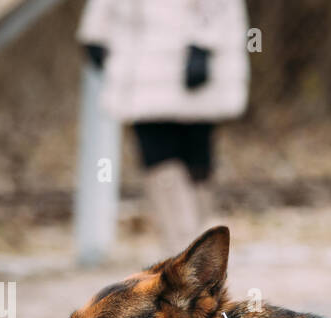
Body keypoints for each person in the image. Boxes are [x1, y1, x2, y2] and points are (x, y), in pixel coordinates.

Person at [78, 0, 250, 250]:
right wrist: (96, 31)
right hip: (139, 63)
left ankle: (200, 242)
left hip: (188, 56)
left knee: (195, 151)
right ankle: (183, 242)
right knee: (156, 152)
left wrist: (204, 43)